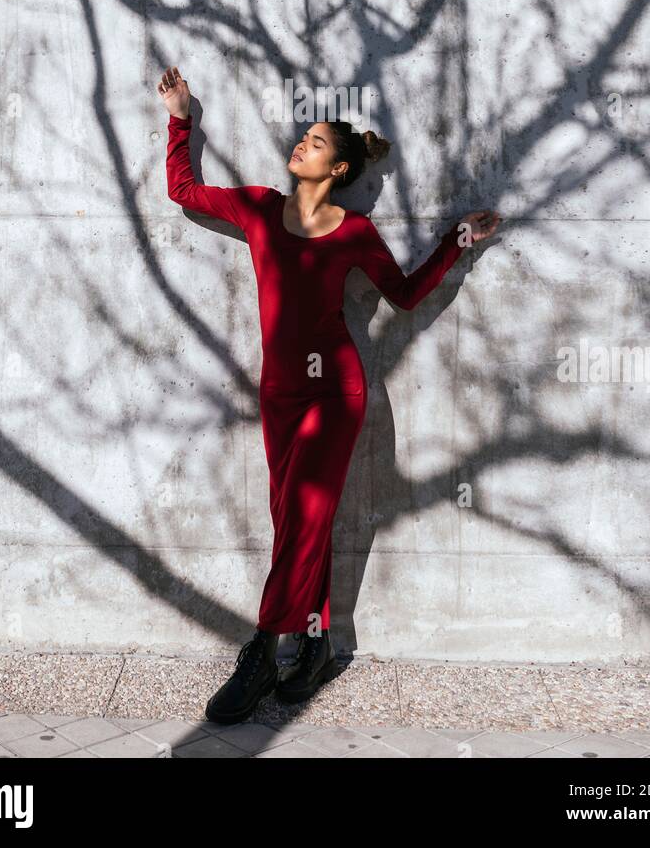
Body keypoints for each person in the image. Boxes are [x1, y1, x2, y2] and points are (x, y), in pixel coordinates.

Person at [157, 65, 500, 723]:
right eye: (303, 138)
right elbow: (183, 190)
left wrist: (457, 243)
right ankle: (313, 646)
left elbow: (400, 295)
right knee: (296, 522)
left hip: (334, 394)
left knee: (303, 520)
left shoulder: (352, 233)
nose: (299, 146)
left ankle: (261, 652)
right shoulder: (258, 207)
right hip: (279, 394)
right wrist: (180, 117)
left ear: (336, 171)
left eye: (313, 143)